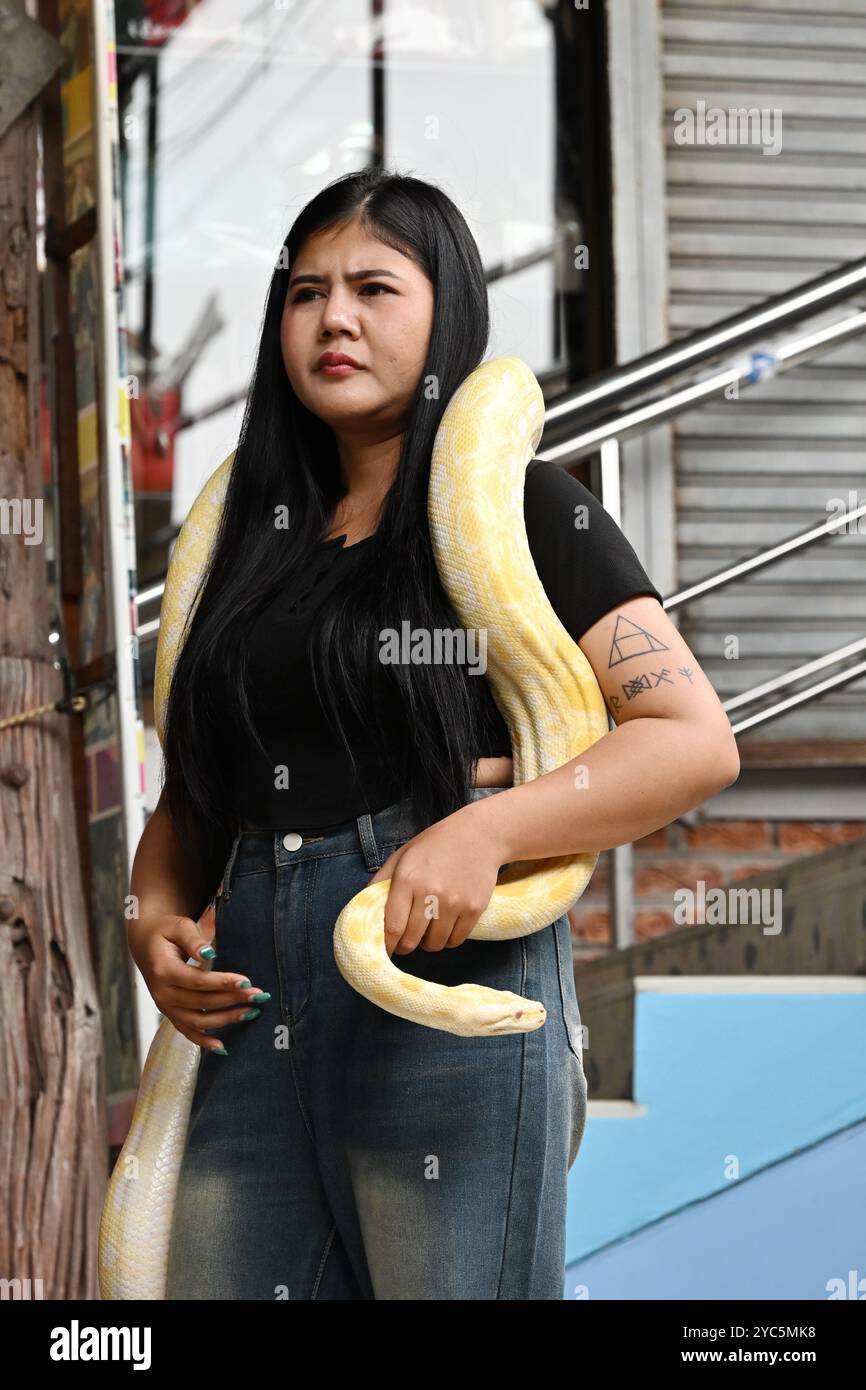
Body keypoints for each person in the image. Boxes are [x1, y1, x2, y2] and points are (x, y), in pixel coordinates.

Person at [127, 168, 739, 1301]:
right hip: (253, 1011)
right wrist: (152, 918)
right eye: (305, 293)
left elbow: (690, 739)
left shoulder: (524, 506)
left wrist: (485, 832)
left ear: (446, 308)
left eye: (373, 287)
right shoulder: (241, 544)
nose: (334, 319)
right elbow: (196, 798)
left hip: (450, 991)